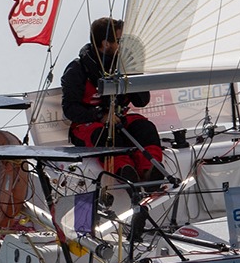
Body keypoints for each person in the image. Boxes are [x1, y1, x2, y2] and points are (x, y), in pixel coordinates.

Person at [62, 17, 165, 184]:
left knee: (146, 128)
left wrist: (133, 72)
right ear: (105, 44)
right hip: (89, 124)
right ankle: (124, 172)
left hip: (120, 117)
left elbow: (141, 101)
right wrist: (100, 115)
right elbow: (70, 109)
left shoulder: (126, 64)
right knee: (106, 136)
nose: (124, 45)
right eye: (120, 41)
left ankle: (150, 171)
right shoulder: (77, 70)